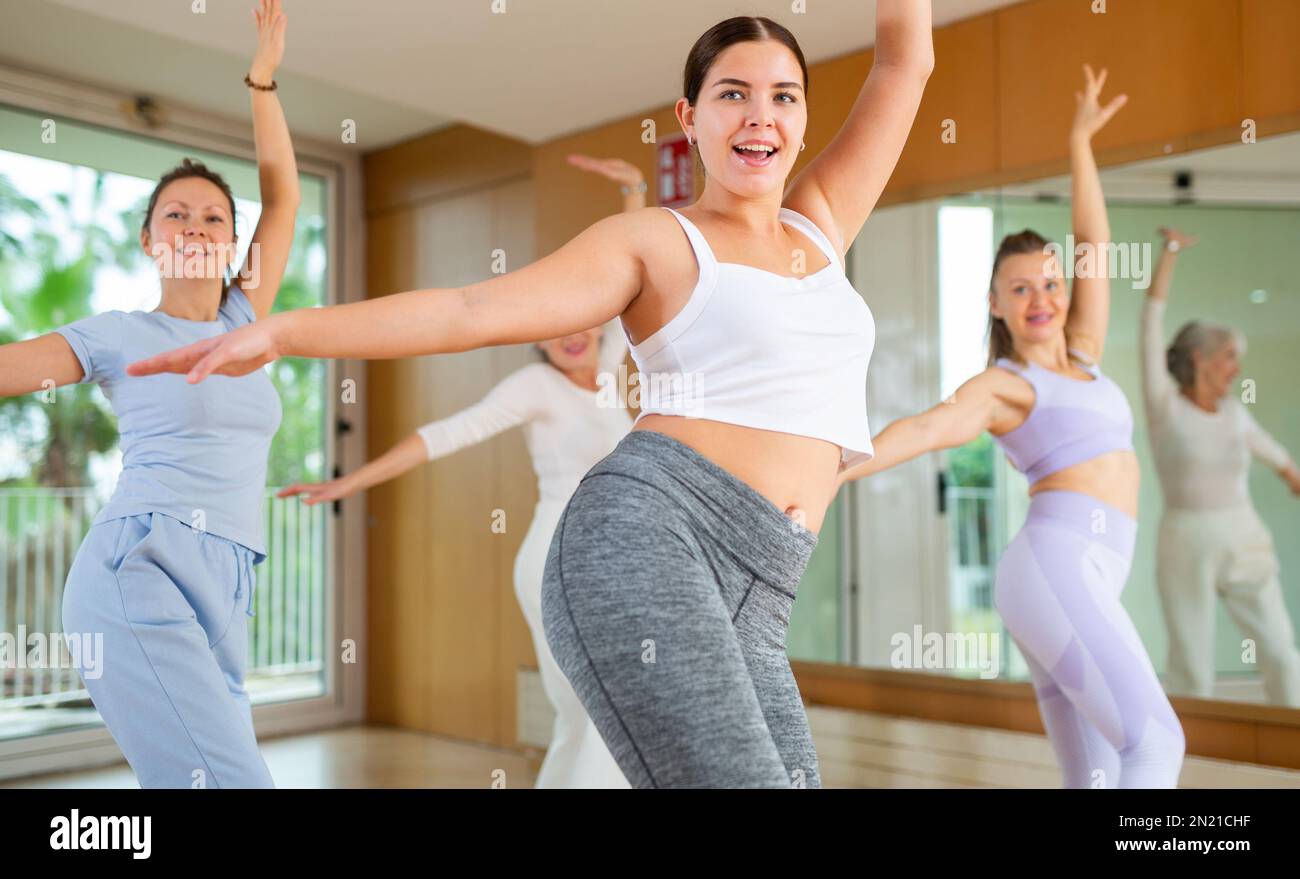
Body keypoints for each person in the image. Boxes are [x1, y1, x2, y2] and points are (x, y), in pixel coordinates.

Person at [126, 4, 934, 789]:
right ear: (690, 116)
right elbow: (469, 311)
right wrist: (284, 331)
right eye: (733, 94)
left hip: (766, 584)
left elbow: (905, 59)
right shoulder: (657, 239)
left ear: (801, 117)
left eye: (782, 96)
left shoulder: (822, 226)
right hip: (651, 542)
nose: (760, 116)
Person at [836, 67, 1185, 788]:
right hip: (1057, 566)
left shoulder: (1082, 354)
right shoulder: (1007, 384)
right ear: (995, 302)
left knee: (1092, 777)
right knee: (1155, 745)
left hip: (1077, 577)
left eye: (1050, 284)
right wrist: (838, 465)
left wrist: (1080, 141)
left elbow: (1091, 238)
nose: (1041, 298)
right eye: (1020, 288)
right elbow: (934, 425)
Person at [0, 0, 298, 788]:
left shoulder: (243, 316)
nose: (196, 226)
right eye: (177, 214)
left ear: (233, 241)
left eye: (213, 217)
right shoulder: (118, 333)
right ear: (149, 238)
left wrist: (261, 82)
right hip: (142, 564)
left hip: (232, 576)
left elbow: (287, 197)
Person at [276, 155, 644, 787]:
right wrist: (349, 481)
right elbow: (445, 434)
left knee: (587, 721)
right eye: (558, 324)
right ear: (540, 330)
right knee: (604, 713)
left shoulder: (611, 366)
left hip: (610, 559)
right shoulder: (534, 385)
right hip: (557, 559)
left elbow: (632, 270)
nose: (574, 333)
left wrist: (635, 190)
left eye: (584, 317)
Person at [1140, 226, 1300, 706]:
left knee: (1280, 651)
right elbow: (1150, 323)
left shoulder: (1234, 412)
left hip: (1242, 533)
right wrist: (1168, 254)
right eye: (1230, 356)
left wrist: (1292, 474)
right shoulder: (1165, 406)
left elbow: (1273, 452)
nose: (1237, 367)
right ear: (1199, 357)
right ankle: (1193, 766)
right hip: (1185, 539)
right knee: (1192, 664)